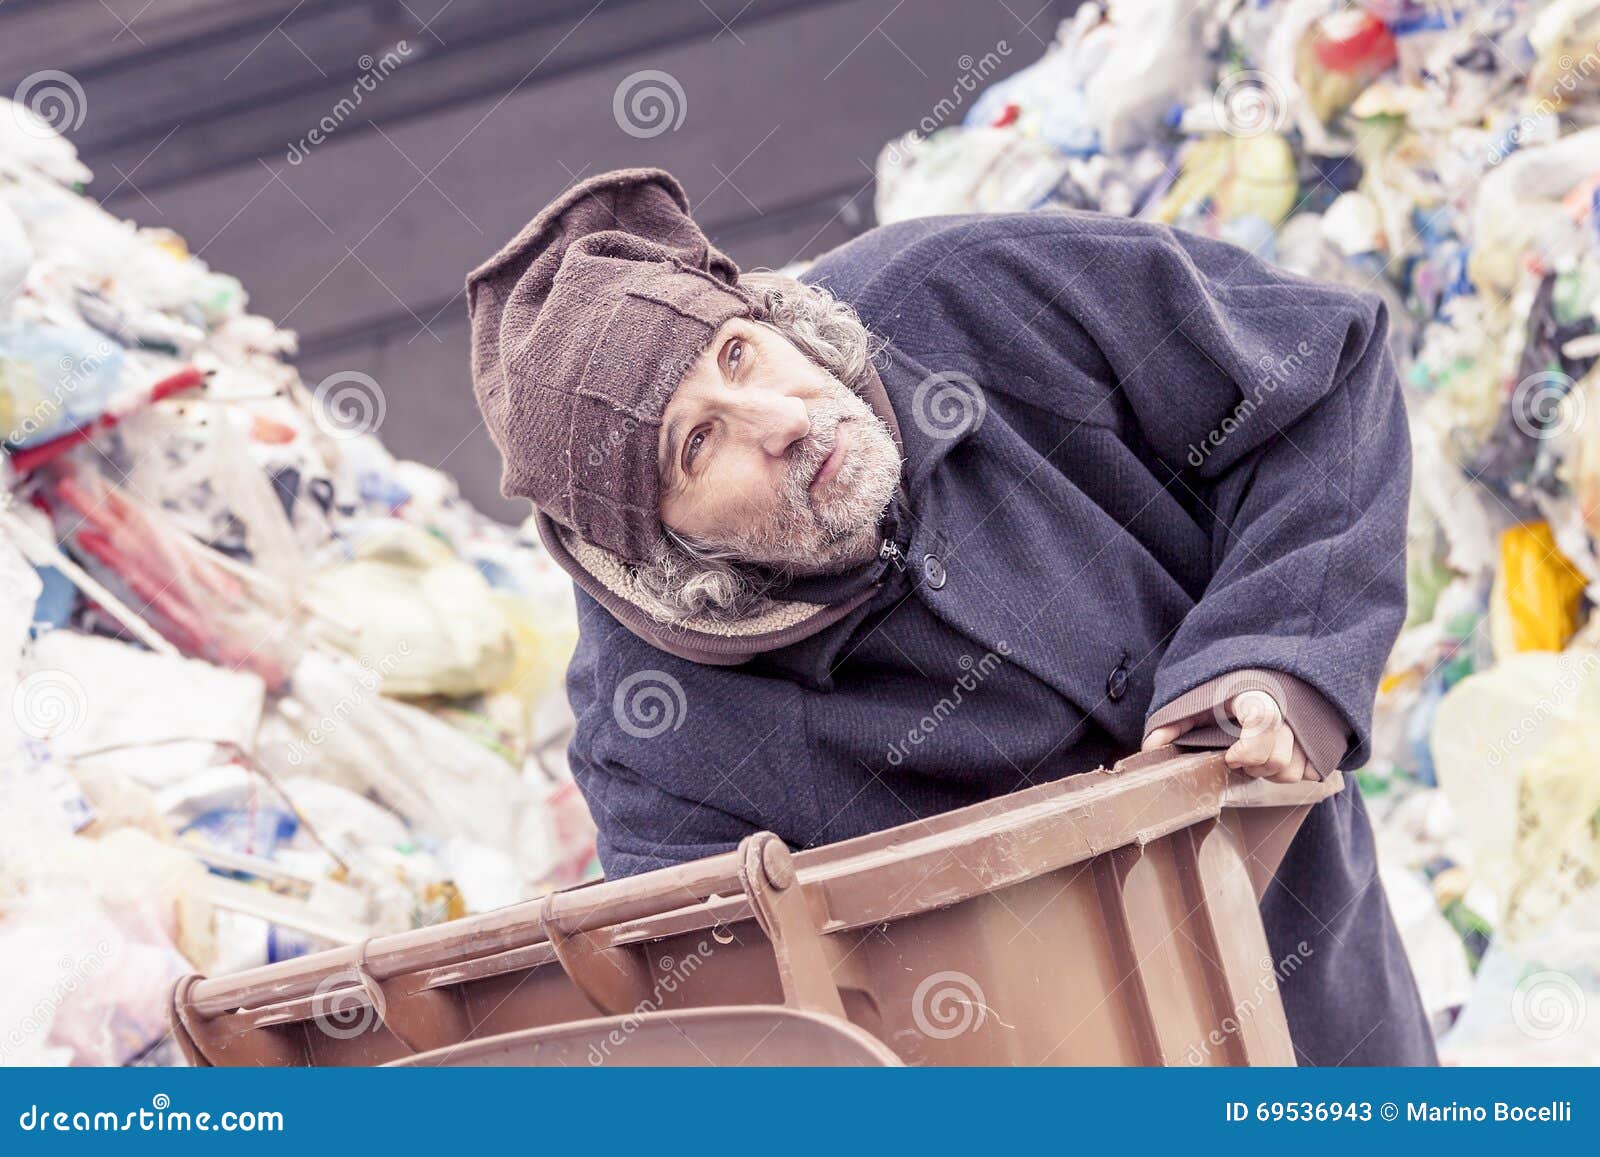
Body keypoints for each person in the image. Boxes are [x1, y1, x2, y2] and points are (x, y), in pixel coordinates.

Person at [465, 167, 1436, 1065]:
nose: (785, 418)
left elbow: (1316, 377)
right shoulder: (650, 743)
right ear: (660, 543)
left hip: (1304, 953)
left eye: (738, 352)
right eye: (700, 441)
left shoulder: (975, 289)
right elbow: (754, 1048)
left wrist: (1273, 660)